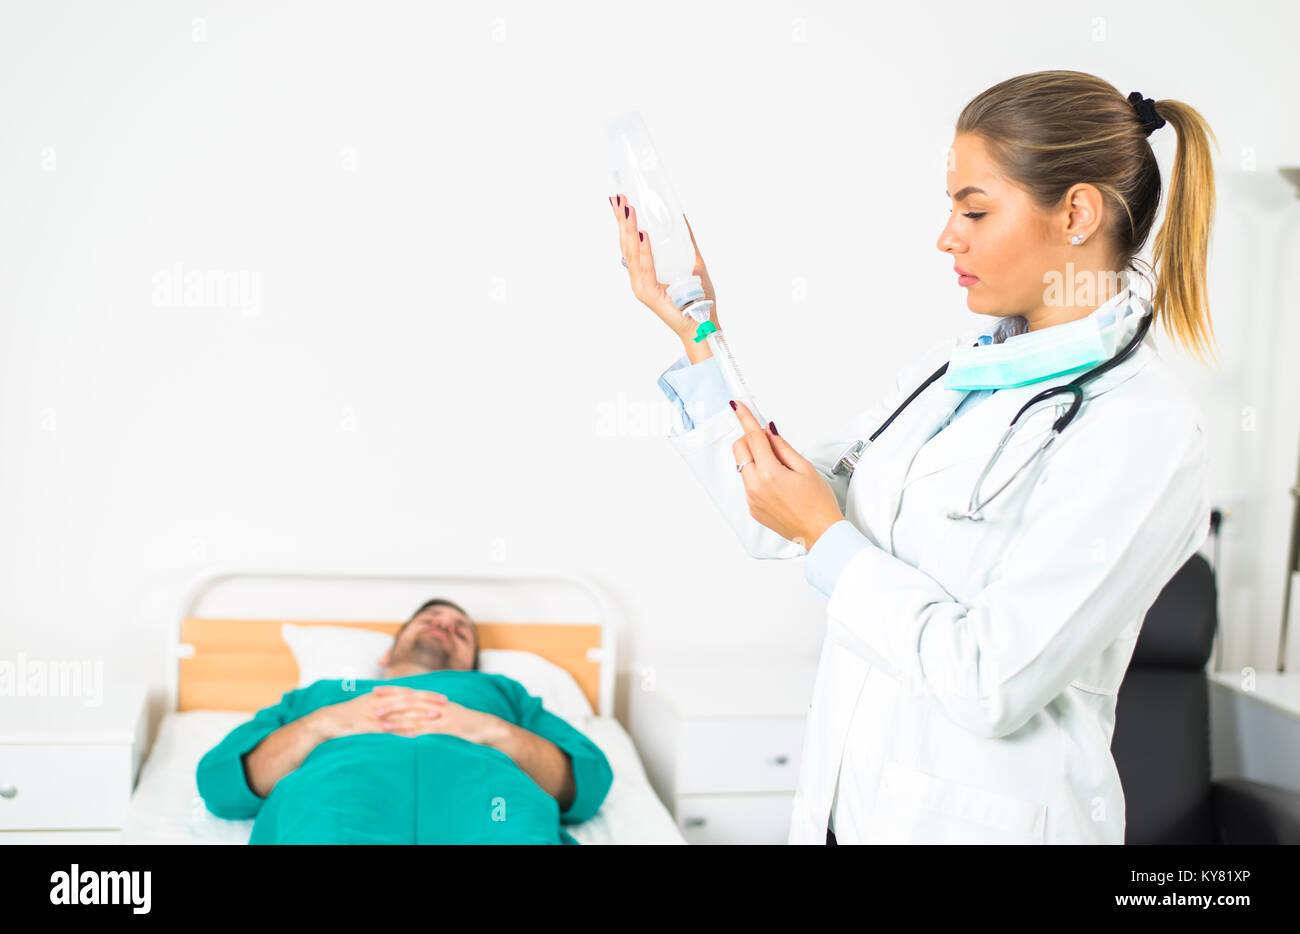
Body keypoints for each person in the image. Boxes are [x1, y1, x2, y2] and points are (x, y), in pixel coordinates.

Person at [609, 70, 1216, 844]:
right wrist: (696, 326)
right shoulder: (954, 375)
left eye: (974, 209)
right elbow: (777, 512)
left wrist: (828, 538)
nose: (946, 236)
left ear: (1076, 212)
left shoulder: (1142, 429)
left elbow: (992, 679)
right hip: (845, 813)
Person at [196, 598, 613, 843]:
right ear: (386, 653)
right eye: (430, 620)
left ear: (472, 664)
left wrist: (489, 729)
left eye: (460, 629)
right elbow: (221, 784)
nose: (444, 627)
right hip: (332, 806)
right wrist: (321, 725)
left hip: (491, 809)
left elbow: (586, 785)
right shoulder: (321, 695)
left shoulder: (500, 692)